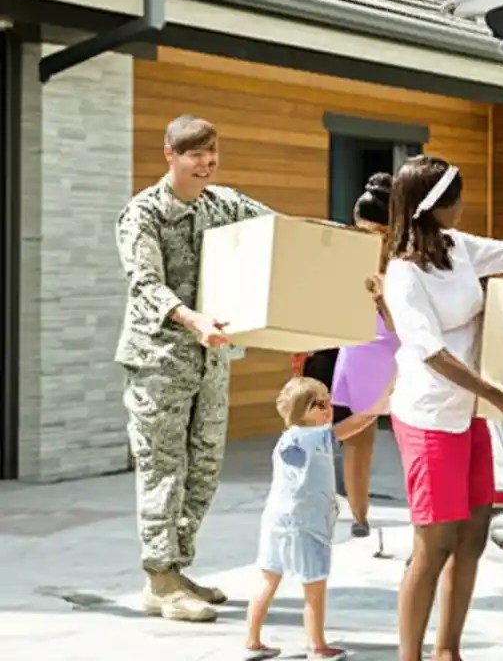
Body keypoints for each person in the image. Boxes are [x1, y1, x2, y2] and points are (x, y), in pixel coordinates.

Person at [381, 155, 503, 661]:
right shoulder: (404, 273)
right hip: (430, 415)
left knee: (473, 535)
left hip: (470, 412)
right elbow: (430, 354)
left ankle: (447, 652)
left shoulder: (459, 248)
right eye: (455, 196)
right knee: (433, 545)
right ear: (433, 206)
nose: (463, 204)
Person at [115, 115, 274, 622]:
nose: (205, 162)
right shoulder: (141, 214)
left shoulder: (222, 204)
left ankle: (178, 570)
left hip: (211, 360)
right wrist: (192, 319)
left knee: (203, 470)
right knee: (163, 469)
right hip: (160, 361)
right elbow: (145, 284)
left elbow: (277, 229)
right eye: (194, 154)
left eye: (211, 152)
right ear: (170, 155)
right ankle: (159, 581)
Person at [243, 377, 375, 661]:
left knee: (268, 578)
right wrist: (375, 409)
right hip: (306, 524)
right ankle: (317, 646)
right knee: (314, 586)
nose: (327, 408)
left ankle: (252, 640)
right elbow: (347, 429)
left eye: (327, 401)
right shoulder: (314, 436)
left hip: (277, 520)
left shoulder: (288, 437)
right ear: (301, 411)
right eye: (319, 404)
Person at [329, 173, 397, 538]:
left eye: (377, 232)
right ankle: (359, 517)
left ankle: (425, 517)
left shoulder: (409, 260)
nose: (370, 239)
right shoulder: (350, 255)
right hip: (359, 344)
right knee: (358, 436)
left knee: (411, 432)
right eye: (362, 230)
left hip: (401, 345)